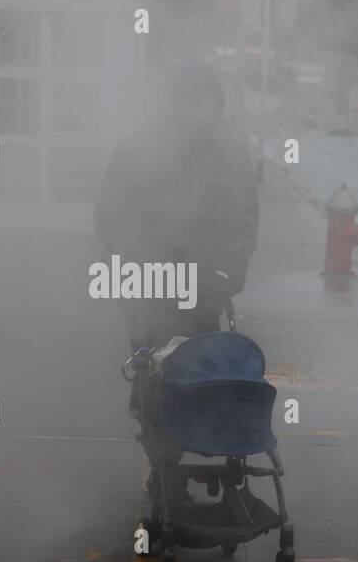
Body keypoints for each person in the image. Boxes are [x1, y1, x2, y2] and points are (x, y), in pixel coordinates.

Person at [93, 59, 260, 358]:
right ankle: (147, 395)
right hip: (145, 276)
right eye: (190, 101)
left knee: (199, 367)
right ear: (174, 103)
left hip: (206, 281)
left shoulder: (230, 155)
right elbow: (110, 211)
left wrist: (226, 275)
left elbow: (243, 220)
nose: (198, 111)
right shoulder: (137, 149)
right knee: (151, 362)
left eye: (206, 101)